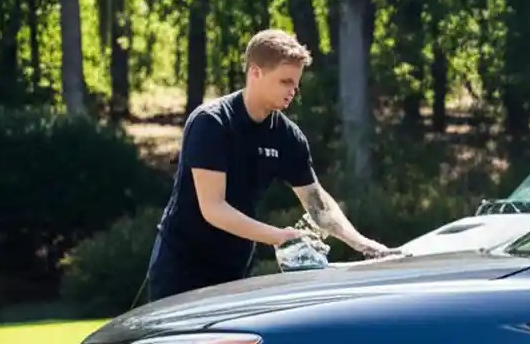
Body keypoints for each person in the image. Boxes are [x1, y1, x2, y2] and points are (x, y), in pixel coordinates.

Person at [146, 29, 393, 302]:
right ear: (255, 73)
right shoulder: (212, 123)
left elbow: (318, 205)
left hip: (235, 269)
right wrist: (280, 236)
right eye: (285, 81)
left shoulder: (288, 136)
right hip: (181, 268)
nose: (293, 91)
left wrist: (365, 245)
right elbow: (213, 208)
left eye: (296, 84)